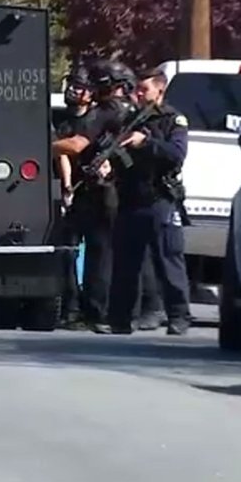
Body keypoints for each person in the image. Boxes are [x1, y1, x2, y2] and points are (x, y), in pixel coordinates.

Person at [104, 66, 192, 335]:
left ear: (160, 90)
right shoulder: (130, 119)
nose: (139, 95)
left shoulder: (172, 120)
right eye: (137, 90)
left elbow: (175, 154)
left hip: (159, 198)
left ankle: (178, 317)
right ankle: (120, 319)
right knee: (125, 264)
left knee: (168, 259)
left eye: (145, 90)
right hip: (131, 198)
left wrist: (147, 142)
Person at [52, 61, 135, 331]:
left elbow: (76, 145)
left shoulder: (107, 111)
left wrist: (35, 145)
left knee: (97, 255)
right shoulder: (129, 110)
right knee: (100, 254)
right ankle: (94, 311)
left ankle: (94, 312)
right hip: (111, 191)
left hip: (101, 192)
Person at [53, 67, 94, 328]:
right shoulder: (62, 122)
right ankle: (71, 307)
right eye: (72, 84)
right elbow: (62, 155)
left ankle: (93, 306)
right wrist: (67, 187)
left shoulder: (97, 119)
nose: (73, 90)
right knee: (67, 252)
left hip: (97, 193)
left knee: (98, 255)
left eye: (80, 86)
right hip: (71, 194)